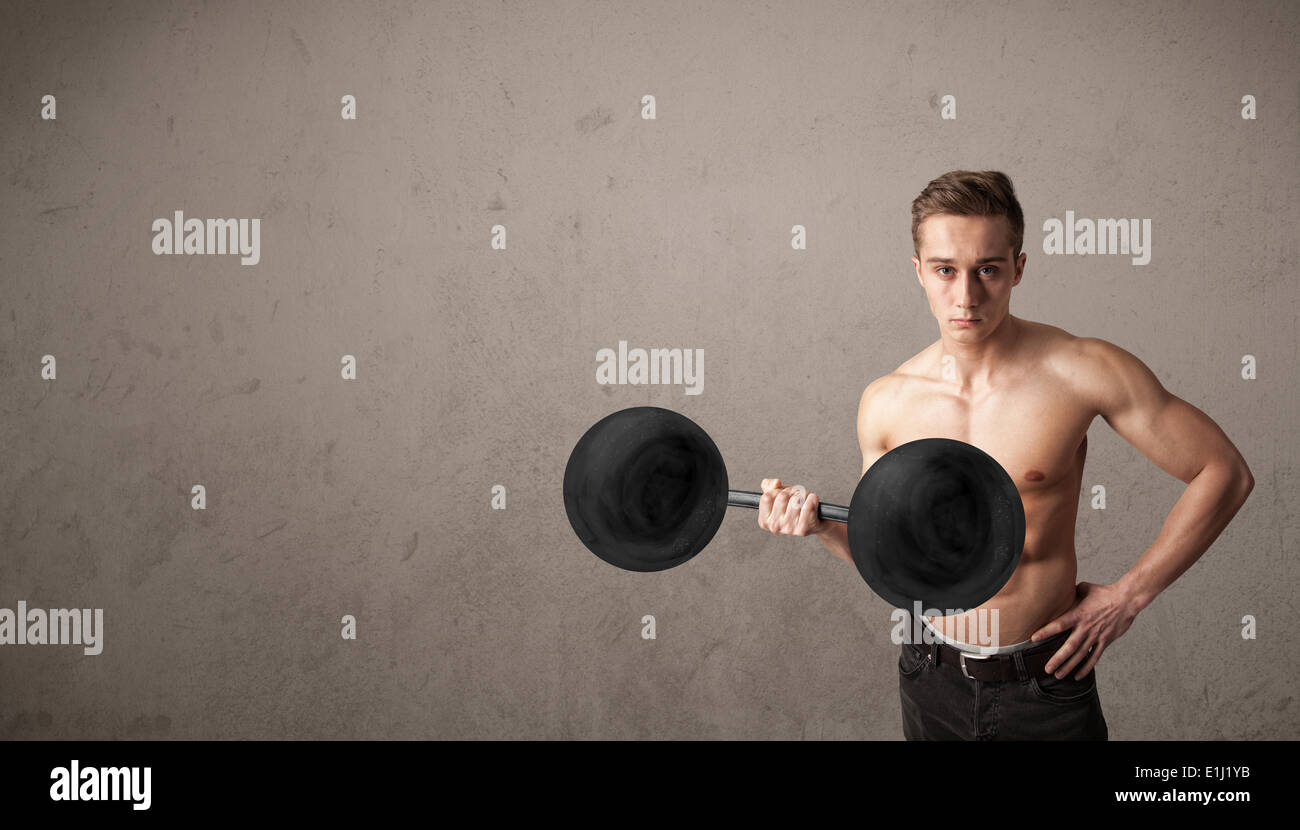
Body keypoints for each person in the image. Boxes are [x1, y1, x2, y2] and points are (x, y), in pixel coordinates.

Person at [757, 170, 1254, 740]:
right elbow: (892, 559)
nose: (966, 296)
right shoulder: (886, 402)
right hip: (929, 673)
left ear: (1019, 267)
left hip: (1042, 681)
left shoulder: (1081, 369)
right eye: (945, 270)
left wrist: (1130, 596)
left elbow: (1225, 472)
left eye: (987, 270)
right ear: (918, 271)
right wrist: (819, 526)